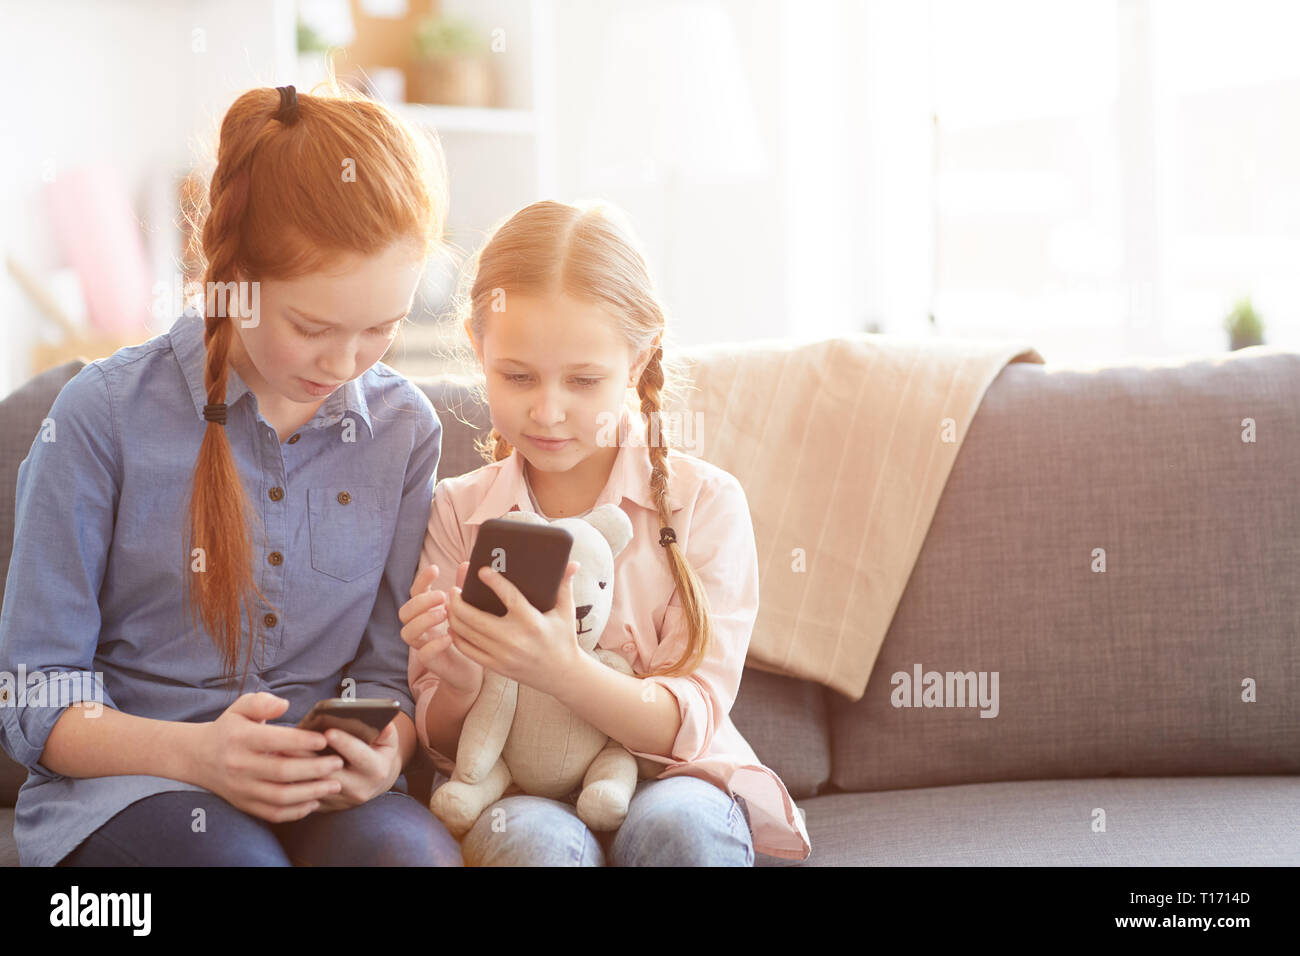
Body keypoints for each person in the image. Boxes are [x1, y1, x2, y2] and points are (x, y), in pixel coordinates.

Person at [0, 82, 462, 865]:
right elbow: (36, 691)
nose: (344, 362)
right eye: (312, 326)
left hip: (325, 798)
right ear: (234, 278)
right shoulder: (98, 416)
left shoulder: (404, 430)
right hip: (133, 789)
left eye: (381, 327)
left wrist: (385, 751)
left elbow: (387, 671)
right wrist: (198, 756)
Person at [399, 199, 813, 865]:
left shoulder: (705, 504)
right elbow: (449, 747)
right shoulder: (458, 509)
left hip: (672, 779)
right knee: (533, 843)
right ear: (479, 350)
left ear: (640, 356)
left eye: (585, 380)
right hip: (521, 789)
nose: (548, 411)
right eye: (517, 375)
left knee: (679, 831)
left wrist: (561, 671)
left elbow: (687, 722)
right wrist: (454, 679)